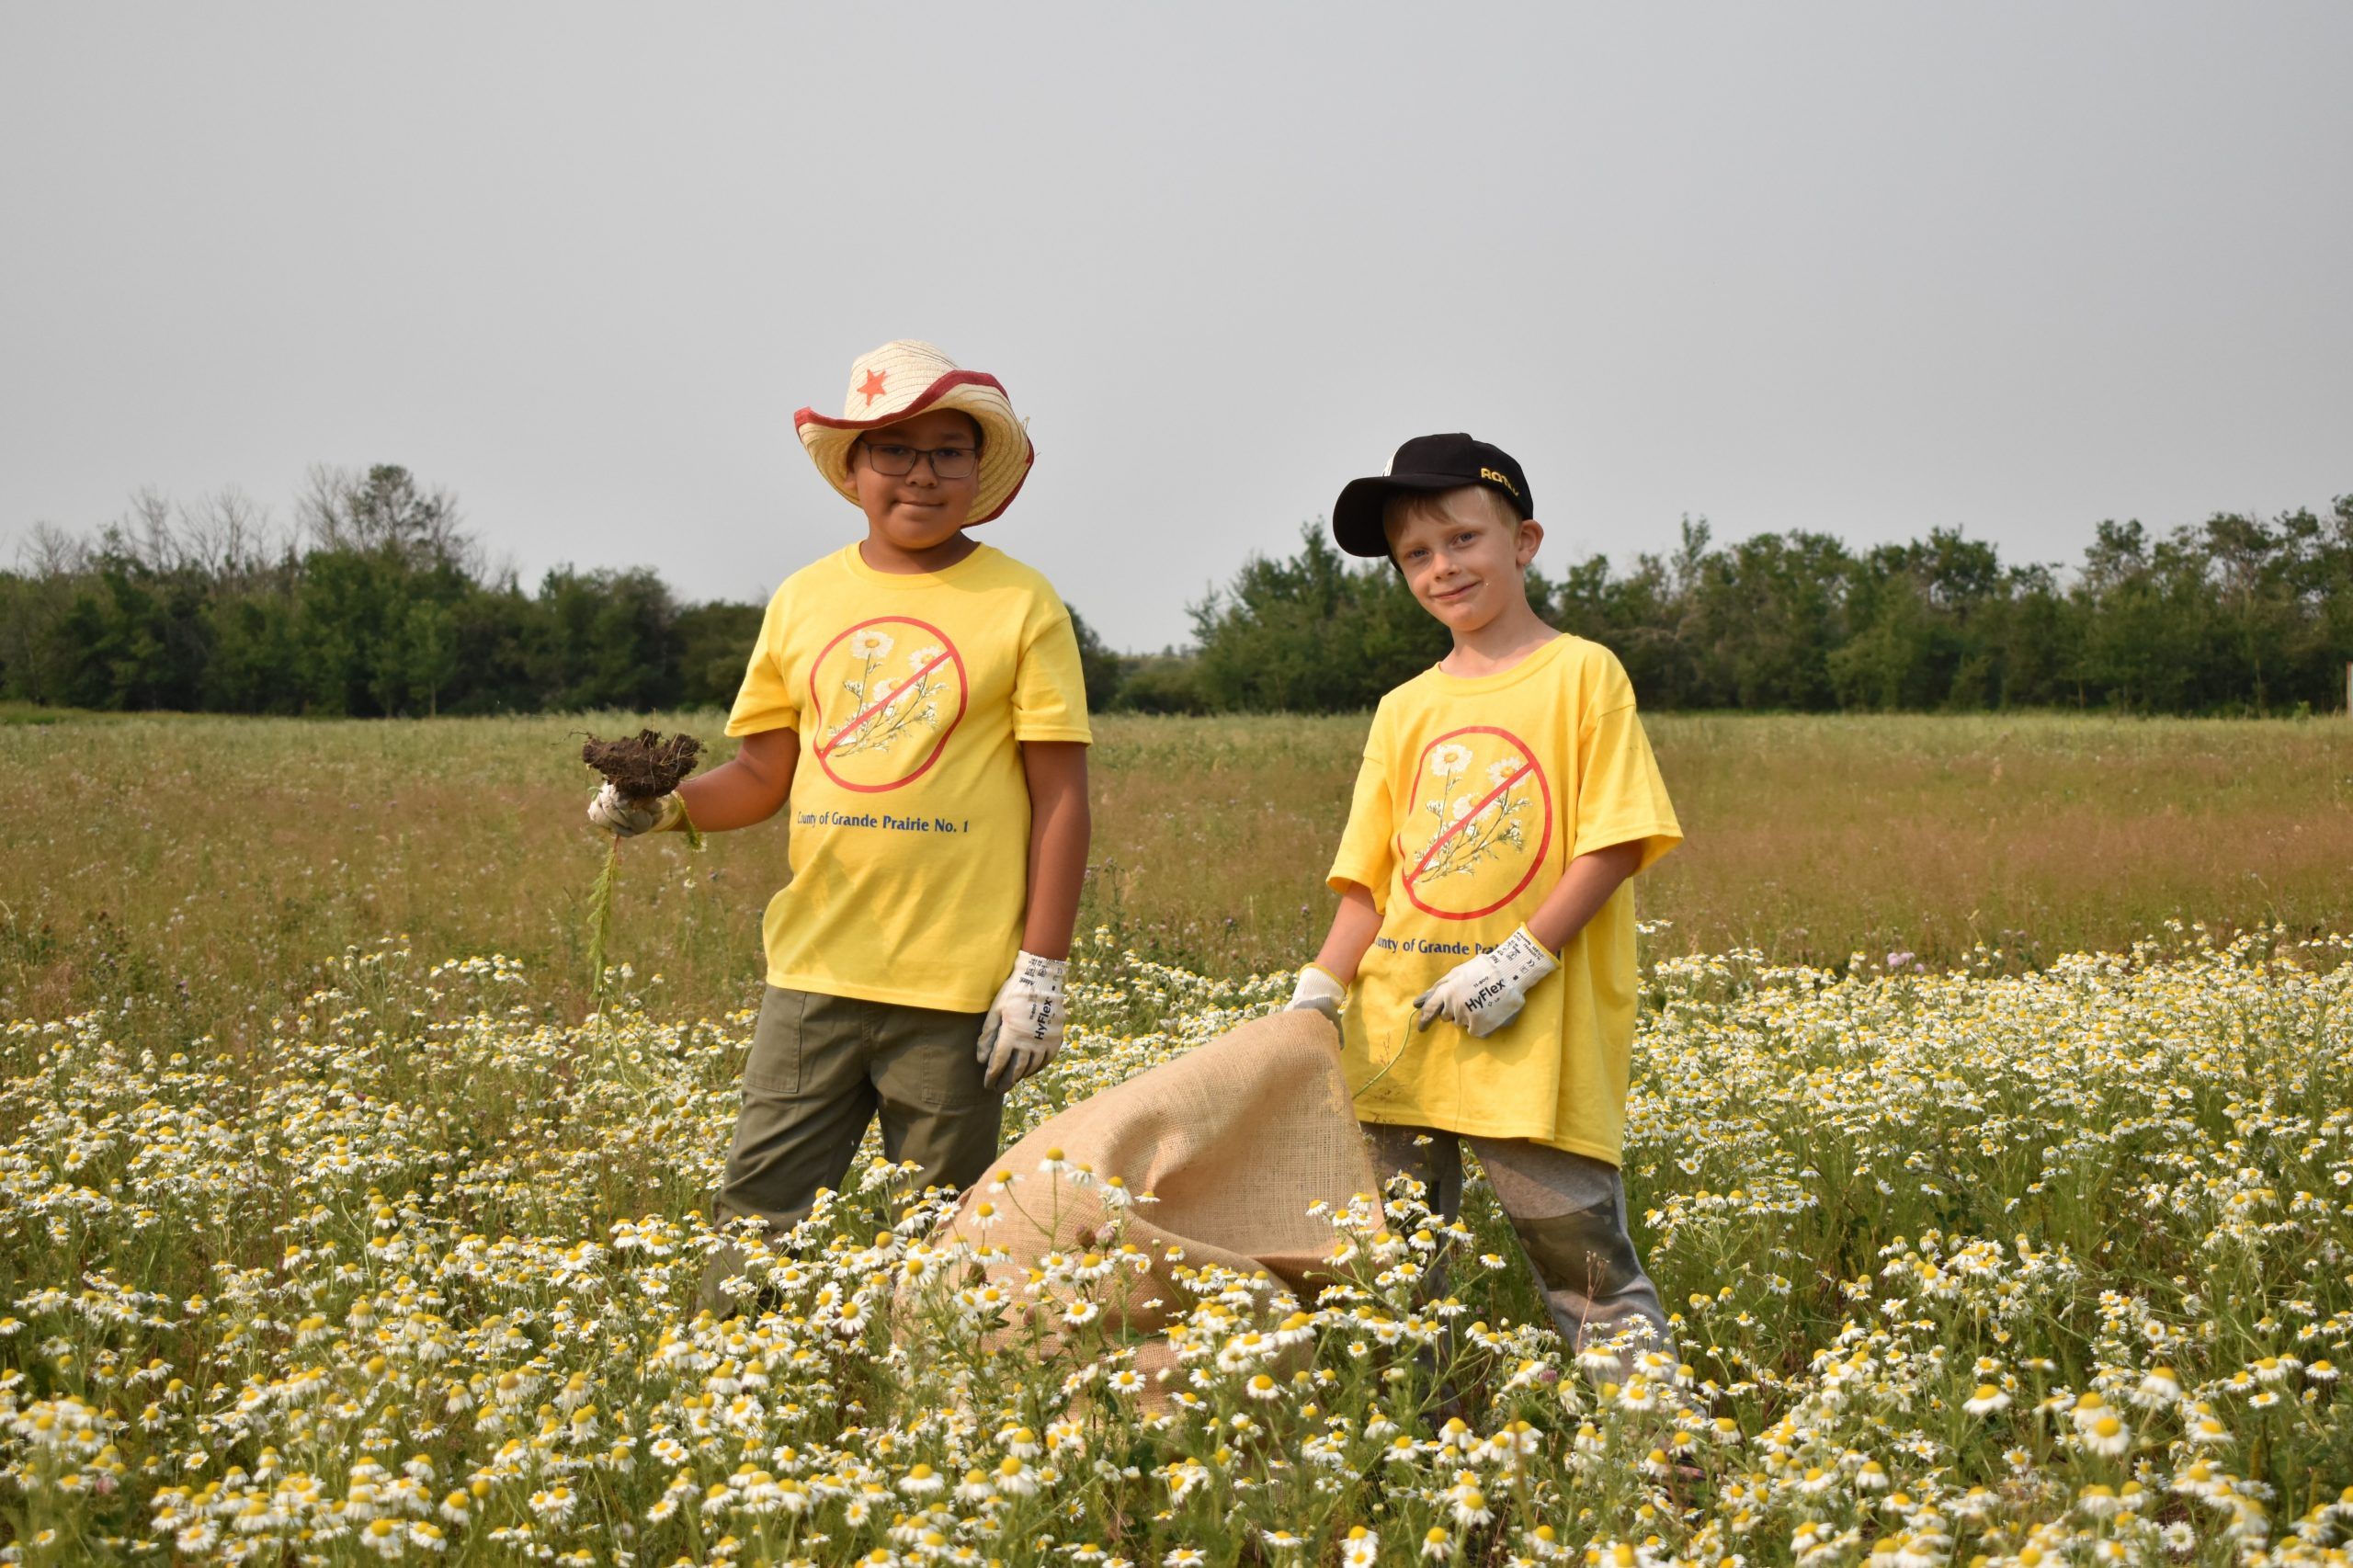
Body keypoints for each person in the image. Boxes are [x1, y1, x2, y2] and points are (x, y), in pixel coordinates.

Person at [587, 340, 1092, 1297]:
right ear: (853, 468)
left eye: (949, 452)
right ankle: (736, 1366)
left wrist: (1041, 970)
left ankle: (929, 1382)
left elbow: (1061, 796)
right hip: (814, 970)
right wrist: (662, 809)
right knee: (759, 1213)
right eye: (894, 449)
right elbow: (759, 774)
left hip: (957, 989)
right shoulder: (804, 599)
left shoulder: (1021, 603)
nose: (922, 474)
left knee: (943, 1231)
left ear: (976, 471)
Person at [1287, 433, 1682, 1365]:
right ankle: (1422, 1440)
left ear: (1524, 540)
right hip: (1397, 1037)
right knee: (1395, 1277)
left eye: (1463, 538)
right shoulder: (1404, 708)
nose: (1442, 567)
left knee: (1585, 1270)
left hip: (1532, 1042)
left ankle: (1657, 1444)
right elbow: (1370, 883)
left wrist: (1521, 959)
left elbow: (1616, 839)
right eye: (1415, 554)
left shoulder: (1583, 674)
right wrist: (1317, 993)